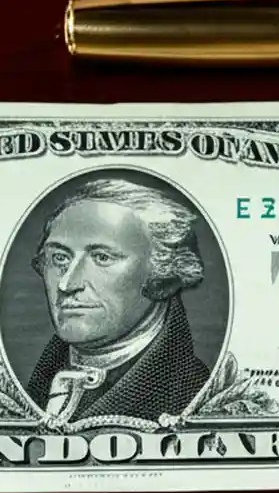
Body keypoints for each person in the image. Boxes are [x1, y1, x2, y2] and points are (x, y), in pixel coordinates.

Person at [24, 176, 211, 424]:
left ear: (163, 277)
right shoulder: (38, 384)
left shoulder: (193, 393)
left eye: (102, 258)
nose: (67, 284)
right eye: (59, 258)